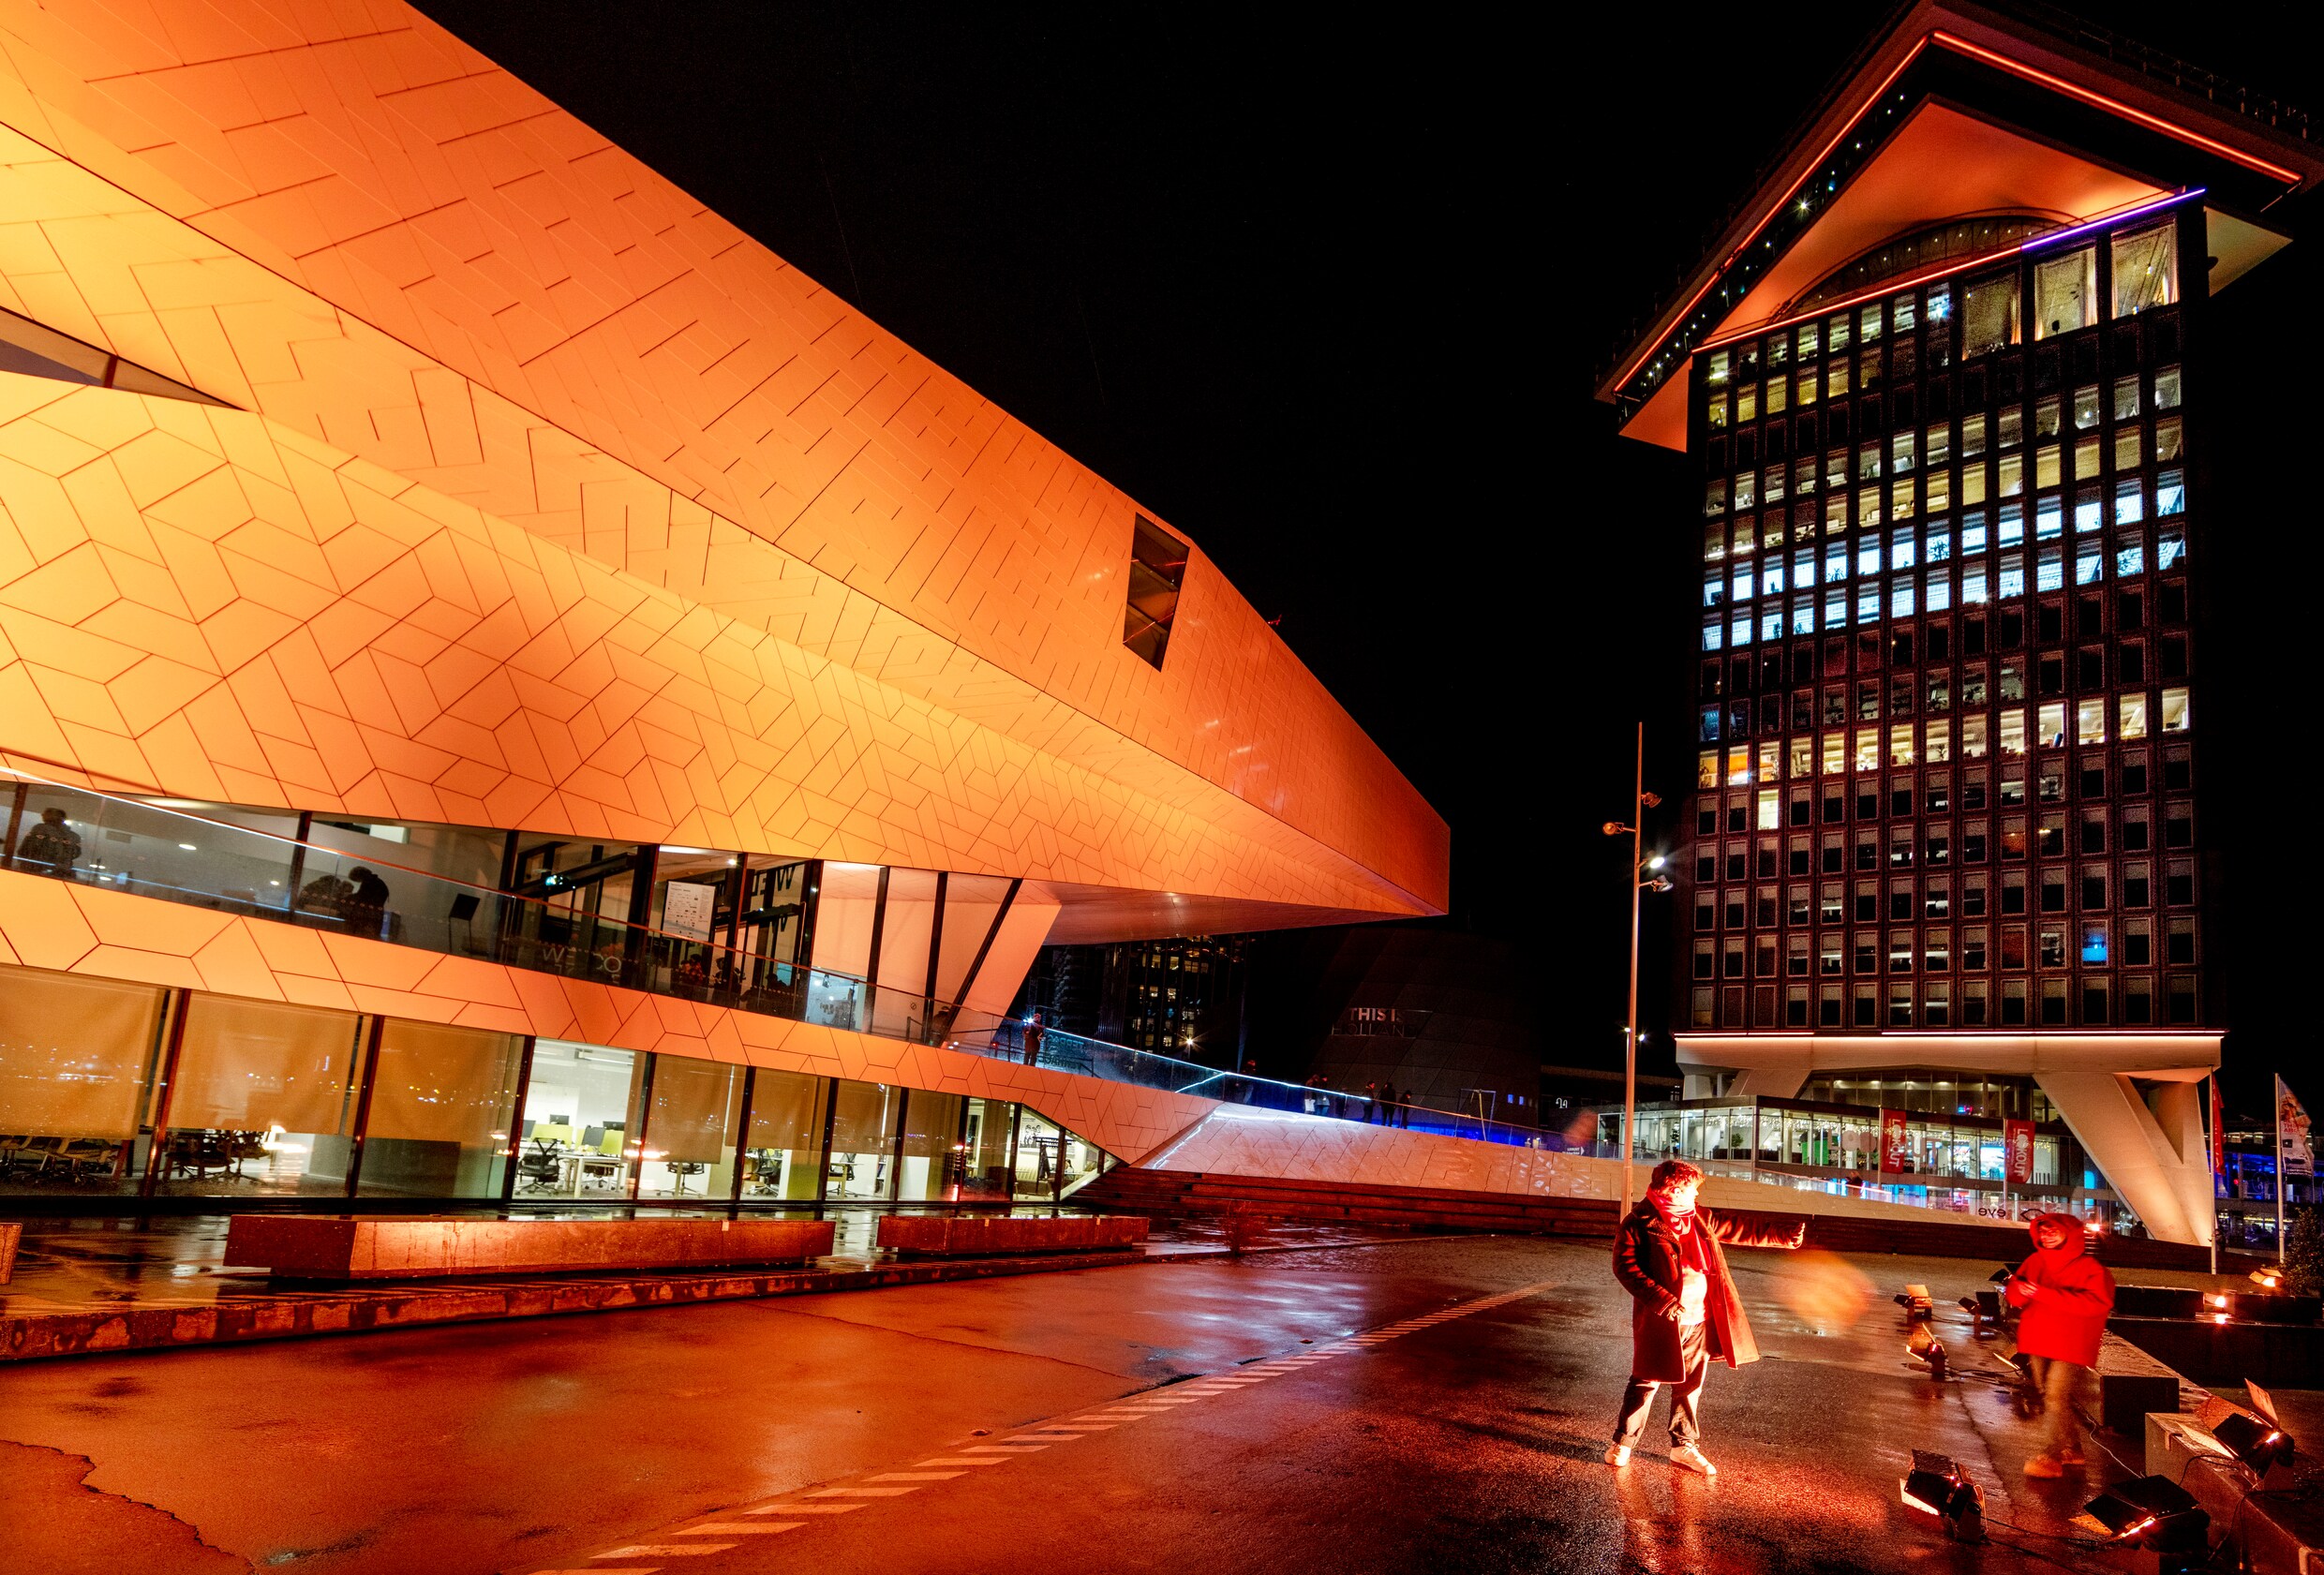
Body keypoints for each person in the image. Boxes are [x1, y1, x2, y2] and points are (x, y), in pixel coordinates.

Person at [1608, 1158, 1807, 1476]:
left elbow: (1741, 1228)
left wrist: (1783, 1236)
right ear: (1671, 1189)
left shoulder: (1699, 1217)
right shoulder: (1638, 1222)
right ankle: (1624, 1443)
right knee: (1646, 1381)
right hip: (1662, 1321)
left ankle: (1683, 1446)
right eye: (1690, 1189)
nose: (1695, 1195)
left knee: (1690, 1385)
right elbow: (1626, 1268)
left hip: (1699, 1319)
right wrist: (1662, 1300)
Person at [2005, 1211, 2116, 1478]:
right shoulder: (2035, 1261)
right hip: (2039, 1340)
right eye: (2043, 1232)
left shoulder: (2092, 1269)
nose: (2047, 1236)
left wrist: (2044, 1294)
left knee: (2055, 1396)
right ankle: (2074, 1450)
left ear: (2070, 1233)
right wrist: (2019, 1290)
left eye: (2053, 1230)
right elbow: (2015, 1294)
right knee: (2052, 1397)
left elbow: (2097, 1304)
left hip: (2071, 1343)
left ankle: (2051, 1455)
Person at [13, 808, 82, 878]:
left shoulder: (39, 829)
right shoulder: (74, 836)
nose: (42, 816)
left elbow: (23, 850)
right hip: (62, 874)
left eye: (44, 814)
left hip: (35, 871)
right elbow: (76, 854)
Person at [342, 866, 391, 940]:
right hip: (374, 916)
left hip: (368, 916)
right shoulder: (377, 882)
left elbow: (361, 897)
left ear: (358, 875)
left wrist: (347, 898)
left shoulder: (369, 882)